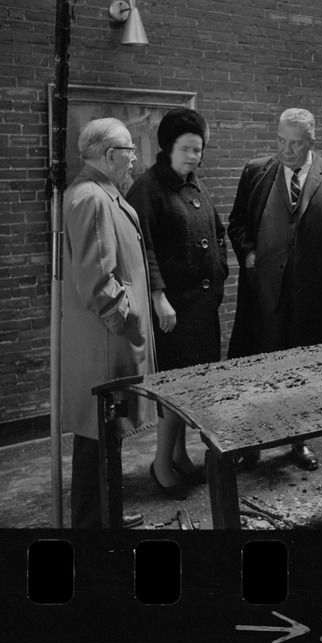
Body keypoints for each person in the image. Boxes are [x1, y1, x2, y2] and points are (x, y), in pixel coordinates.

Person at [227, 107, 322, 471]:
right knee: (259, 371)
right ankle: (252, 442)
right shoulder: (256, 171)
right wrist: (248, 252)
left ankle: (299, 441)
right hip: (265, 295)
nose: (286, 150)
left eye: (295, 143)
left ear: (311, 140)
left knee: (302, 373)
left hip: (314, 296)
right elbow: (236, 224)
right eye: (280, 140)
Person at [125, 108, 229, 498]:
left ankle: (180, 456)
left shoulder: (193, 184)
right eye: (187, 149)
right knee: (175, 389)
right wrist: (158, 296)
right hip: (174, 312)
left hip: (200, 308)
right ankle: (161, 464)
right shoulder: (148, 188)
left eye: (198, 149)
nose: (193, 157)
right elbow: (143, 248)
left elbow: (216, 232)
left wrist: (220, 269)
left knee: (191, 390)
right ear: (167, 147)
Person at [61, 117, 157, 529]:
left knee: (105, 432)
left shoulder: (104, 194)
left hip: (110, 338)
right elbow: (97, 278)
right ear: (108, 155)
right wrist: (126, 316)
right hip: (105, 340)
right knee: (96, 433)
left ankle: (106, 515)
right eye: (129, 150)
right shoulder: (92, 198)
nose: (135, 157)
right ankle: (93, 522)